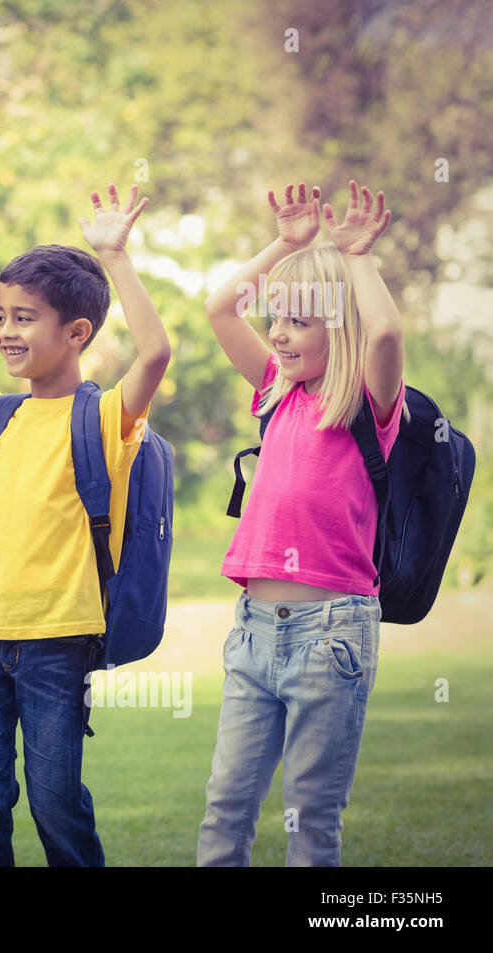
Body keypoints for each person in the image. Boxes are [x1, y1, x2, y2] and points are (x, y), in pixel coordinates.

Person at [0, 186, 171, 866]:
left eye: (25, 318)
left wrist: (116, 257)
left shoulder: (104, 419)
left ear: (77, 333)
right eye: (2, 316)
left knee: (54, 803)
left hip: (58, 642)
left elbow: (156, 354)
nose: (7, 331)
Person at [197, 180, 404, 866]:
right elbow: (222, 306)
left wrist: (357, 257)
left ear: (334, 328)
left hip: (332, 636)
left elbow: (384, 331)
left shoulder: (368, 407)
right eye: (276, 318)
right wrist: (287, 244)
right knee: (226, 808)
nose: (277, 334)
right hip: (254, 633)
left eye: (297, 321)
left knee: (311, 820)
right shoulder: (275, 394)